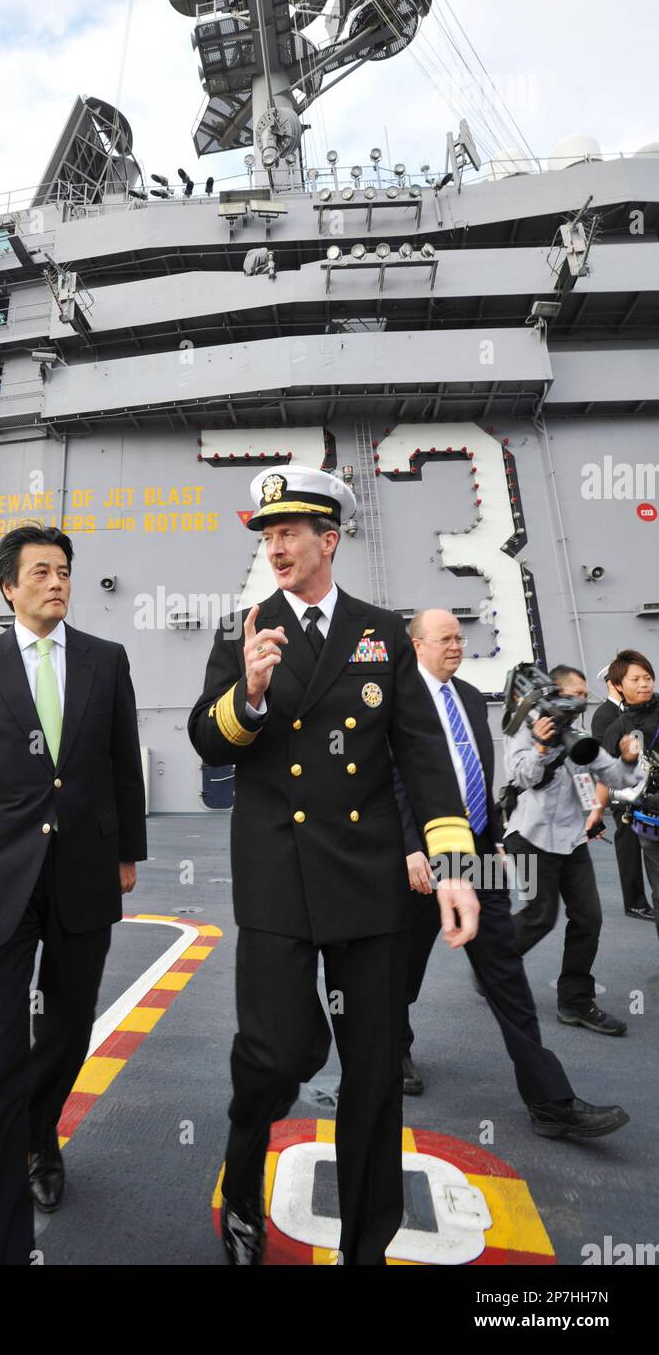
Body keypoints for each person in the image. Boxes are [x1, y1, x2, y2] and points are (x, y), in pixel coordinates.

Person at [188, 466, 480, 1267]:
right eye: (268, 535)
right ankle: (240, 1185)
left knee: (376, 1076)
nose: (276, 546)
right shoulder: (241, 630)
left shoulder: (381, 630)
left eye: (290, 533)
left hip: (371, 883)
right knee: (277, 1056)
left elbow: (422, 758)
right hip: (279, 880)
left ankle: (366, 1245)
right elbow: (205, 740)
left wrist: (454, 867)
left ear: (329, 538)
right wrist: (246, 694)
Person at [0, 524, 146, 1265]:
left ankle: (40, 1134)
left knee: (70, 1029)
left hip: (83, 875)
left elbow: (120, 761)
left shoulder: (108, 662)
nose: (57, 581)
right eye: (40, 571)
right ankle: (1, 1233)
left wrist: (128, 851)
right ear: (9, 586)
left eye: (64, 570)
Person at [398, 611, 629, 1140]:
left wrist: (496, 837)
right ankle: (395, 1050)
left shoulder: (473, 700)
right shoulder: (397, 701)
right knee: (401, 971)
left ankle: (551, 1102)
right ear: (416, 646)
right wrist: (412, 848)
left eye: (461, 637)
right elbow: (391, 778)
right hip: (423, 856)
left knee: (507, 978)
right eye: (446, 639)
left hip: (475, 853)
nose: (457, 646)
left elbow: (483, 775)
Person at [504, 665, 642, 1034]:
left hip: (571, 839)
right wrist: (541, 746)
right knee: (540, 915)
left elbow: (615, 777)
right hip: (528, 838)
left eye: (584, 694)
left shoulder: (580, 735)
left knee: (588, 918)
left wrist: (628, 759)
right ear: (555, 694)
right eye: (577, 693)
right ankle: (494, 964)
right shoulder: (522, 728)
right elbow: (524, 777)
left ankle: (576, 1001)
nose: (583, 700)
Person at [599, 650, 659, 943]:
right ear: (618, 685)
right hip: (650, 818)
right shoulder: (616, 727)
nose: (644, 683)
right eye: (635, 679)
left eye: (647, 677)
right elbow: (607, 778)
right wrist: (626, 759)